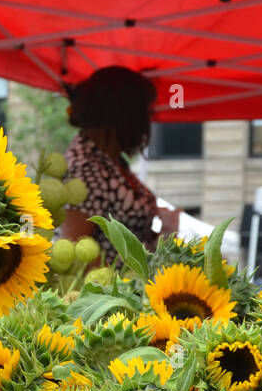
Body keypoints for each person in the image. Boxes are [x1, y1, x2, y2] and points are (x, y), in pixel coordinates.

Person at [59, 66, 180, 267]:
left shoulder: (109, 161)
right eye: (146, 112)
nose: (150, 121)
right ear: (126, 114)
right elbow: (75, 250)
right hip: (107, 295)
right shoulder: (85, 168)